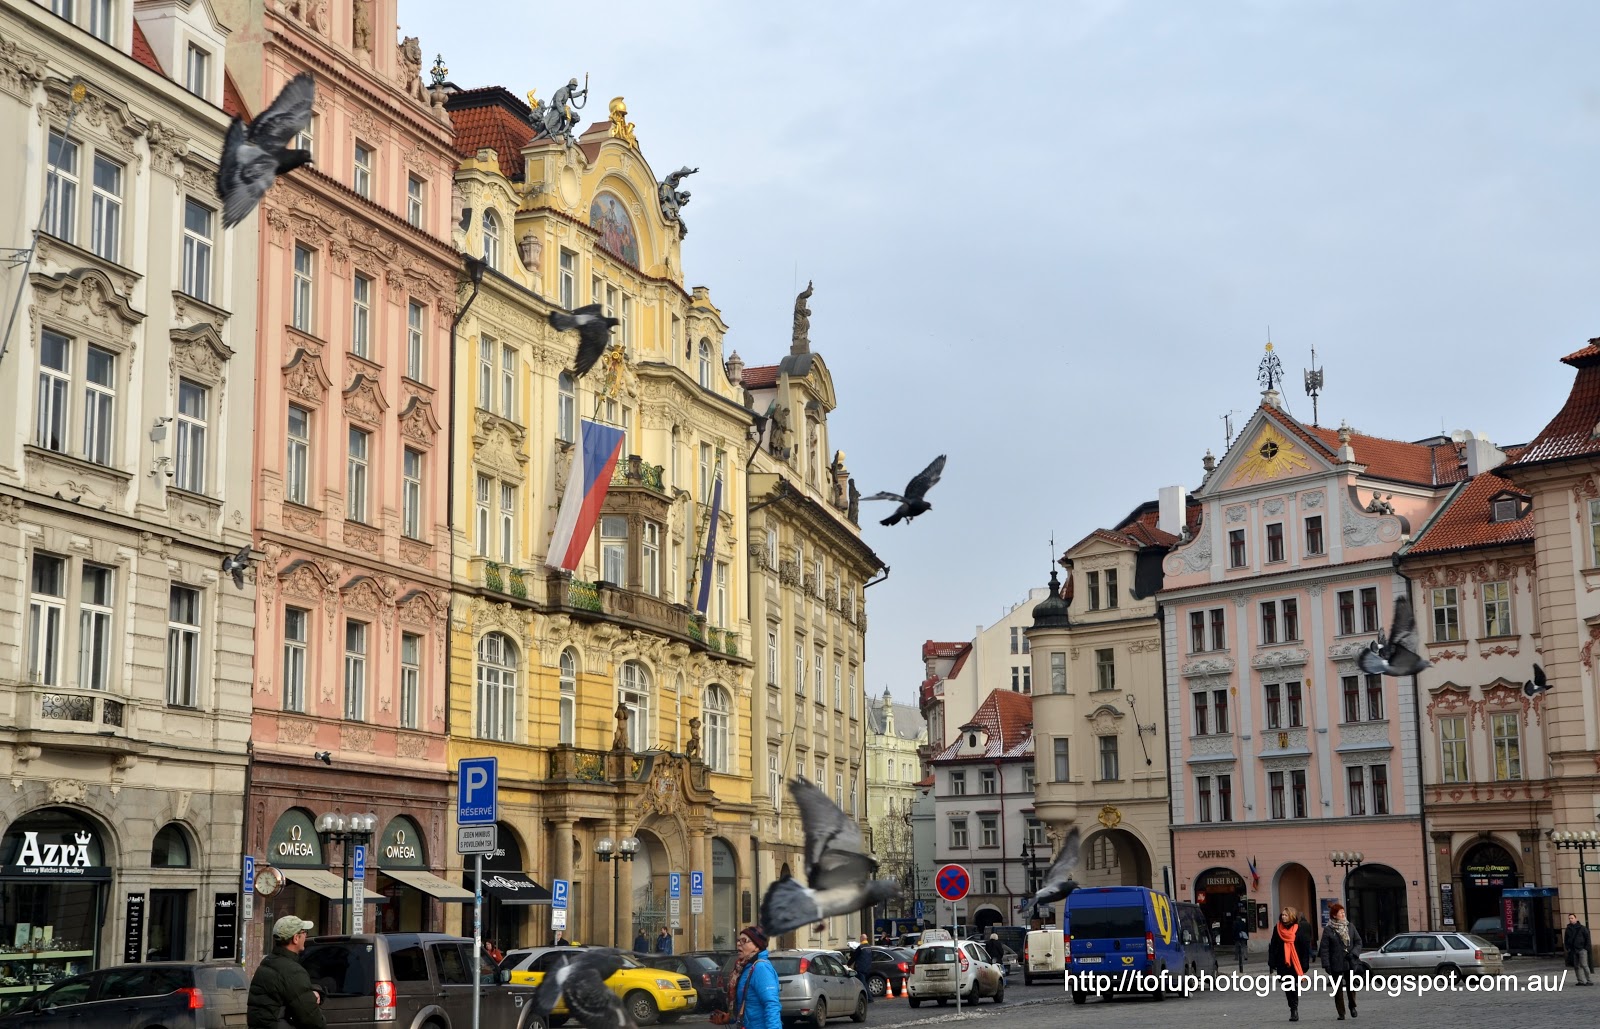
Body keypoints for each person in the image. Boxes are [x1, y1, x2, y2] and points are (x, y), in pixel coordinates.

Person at [247, 915, 327, 1029]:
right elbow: (311, 1018)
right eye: (304, 932)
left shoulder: (268, 962)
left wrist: (312, 993)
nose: (306, 935)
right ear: (295, 938)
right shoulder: (292, 971)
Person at [1316, 902, 1364, 1020]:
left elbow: (1358, 942)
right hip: (1335, 962)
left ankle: (1352, 1006)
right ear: (1334, 915)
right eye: (1340, 912)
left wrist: (1354, 954)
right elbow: (1324, 948)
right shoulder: (1328, 930)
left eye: (1343, 912)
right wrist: (1326, 964)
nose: (1343, 914)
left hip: (1349, 960)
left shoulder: (1350, 926)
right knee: (1337, 989)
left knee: (1351, 986)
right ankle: (1341, 1012)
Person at [1267, 906, 1312, 1023]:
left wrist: (1305, 964)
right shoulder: (1277, 929)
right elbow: (1273, 946)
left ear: (1291, 916)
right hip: (1283, 963)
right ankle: (1292, 1007)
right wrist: (1272, 961)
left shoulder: (1299, 929)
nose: (1283, 917)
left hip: (1295, 963)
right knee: (1287, 987)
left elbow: (1304, 948)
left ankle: (1294, 1009)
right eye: (1282, 915)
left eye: (1286, 915)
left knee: (1293, 986)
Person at [733, 926, 781, 1029]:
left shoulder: (761, 968)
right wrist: (729, 1018)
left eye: (744, 940)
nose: (738, 944)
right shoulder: (746, 967)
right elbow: (748, 1005)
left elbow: (771, 1005)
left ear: (757, 946)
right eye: (738, 940)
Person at [1565, 913, 1594, 985]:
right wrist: (1567, 947)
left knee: (1584, 965)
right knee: (1576, 966)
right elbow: (1566, 939)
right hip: (1573, 949)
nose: (1570, 920)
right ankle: (1580, 981)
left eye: (1572, 918)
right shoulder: (1568, 929)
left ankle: (1589, 980)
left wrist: (1586, 948)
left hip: (1582, 949)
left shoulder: (1582, 928)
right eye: (1569, 918)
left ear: (1576, 918)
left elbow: (1587, 938)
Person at [853, 936, 874, 1001]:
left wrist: (848, 964)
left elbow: (854, 957)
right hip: (868, 968)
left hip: (860, 968)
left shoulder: (861, 947)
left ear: (862, 939)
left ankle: (870, 998)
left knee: (863, 984)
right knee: (865, 983)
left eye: (860, 938)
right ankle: (866, 997)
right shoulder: (869, 947)